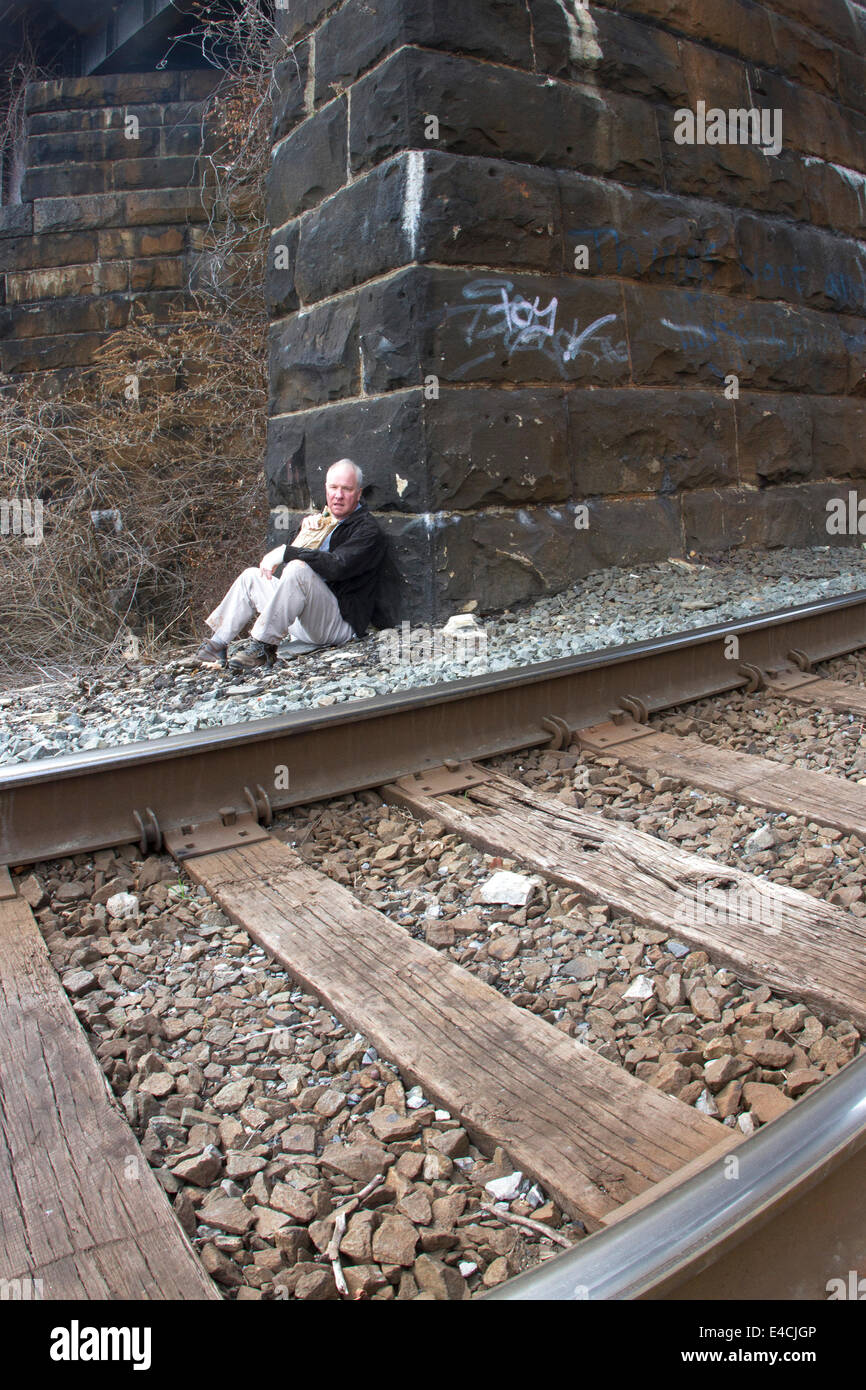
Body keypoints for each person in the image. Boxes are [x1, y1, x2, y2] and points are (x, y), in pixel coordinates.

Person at [193, 458, 393, 671]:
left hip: (339, 624)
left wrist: (286, 552)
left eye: (346, 489)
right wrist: (304, 531)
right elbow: (291, 566)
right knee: (251, 576)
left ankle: (263, 647)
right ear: (326, 488)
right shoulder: (324, 520)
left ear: (359, 493)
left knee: (298, 568)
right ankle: (217, 644)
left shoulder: (368, 530)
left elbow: (337, 566)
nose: (338, 495)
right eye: (333, 487)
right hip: (304, 620)